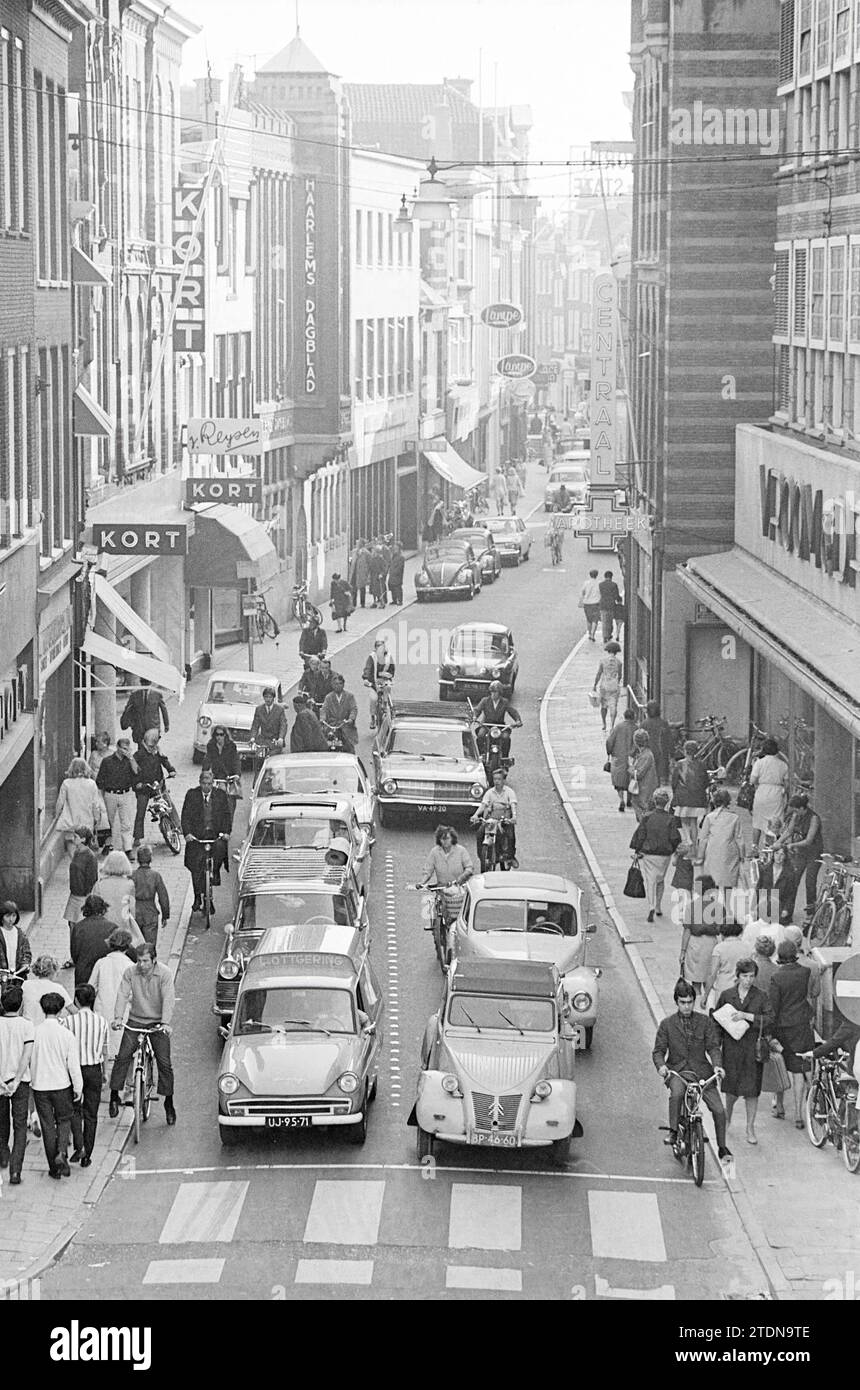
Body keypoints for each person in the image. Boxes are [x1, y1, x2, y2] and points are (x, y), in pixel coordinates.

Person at [652, 979, 731, 1159]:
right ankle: (673, 1131)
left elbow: (713, 1047)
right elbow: (658, 1051)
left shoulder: (705, 1022)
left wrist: (718, 1066)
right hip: (677, 1072)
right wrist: (662, 1067)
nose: (686, 1007)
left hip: (701, 1072)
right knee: (677, 1094)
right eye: (682, 1003)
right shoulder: (667, 1024)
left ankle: (722, 1147)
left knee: (719, 1110)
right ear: (676, 1002)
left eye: (689, 1002)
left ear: (694, 1002)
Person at [109, 943, 176, 1125]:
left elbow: (168, 998)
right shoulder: (131, 972)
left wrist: (165, 1023)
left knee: (164, 1063)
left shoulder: (164, 974)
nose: (141, 965)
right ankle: (114, 1095)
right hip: (136, 1019)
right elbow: (122, 994)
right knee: (122, 1057)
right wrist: (117, 1017)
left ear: (154, 960)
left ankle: (168, 1103)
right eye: (139, 960)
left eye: (145, 961)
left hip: (157, 1022)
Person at [714, 958, 771, 1145]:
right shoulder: (726, 995)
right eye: (745, 976)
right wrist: (716, 1046)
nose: (748, 980)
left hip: (752, 1048)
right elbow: (717, 1023)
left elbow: (770, 1019)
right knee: (730, 1090)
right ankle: (728, 1118)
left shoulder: (761, 996)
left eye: (752, 976)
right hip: (731, 1049)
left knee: (752, 1091)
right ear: (737, 976)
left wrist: (747, 1016)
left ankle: (750, 1127)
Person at [29, 991, 83, 1179]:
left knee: (47, 1125)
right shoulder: (66, 1035)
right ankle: (62, 1152)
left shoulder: (35, 1032)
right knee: (64, 1119)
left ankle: (54, 1167)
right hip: (61, 1084)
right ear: (61, 1010)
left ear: (43, 1009)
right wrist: (78, 1087)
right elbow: (73, 1065)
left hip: (40, 1085)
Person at [768, 938, 815, 1126]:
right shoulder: (805, 972)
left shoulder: (777, 978)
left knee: (779, 1065)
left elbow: (774, 1007)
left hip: (782, 1026)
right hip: (802, 1025)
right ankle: (798, 1113)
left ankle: (779, 1106)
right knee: (798, 1070)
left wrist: (769, 1033)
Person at [65, 983, 108, 1168]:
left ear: (76, 1000)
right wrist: (104, 1072)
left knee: (74, 1109)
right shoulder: (102, 1021)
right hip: (94, 1070)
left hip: (74, 1070)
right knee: (91, 1113)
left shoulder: (67, 1022)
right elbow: (104, 1050)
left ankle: (79, 1144)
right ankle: (87, 1155)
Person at [181, 770, 232, 914]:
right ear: (200, 783)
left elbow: (227, 815)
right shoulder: (191, 795)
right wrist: (187, 833)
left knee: (220, 849)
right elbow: (185, 816)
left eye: (209, 784)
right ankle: (198, 896)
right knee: (195, 866)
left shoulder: (220, 796)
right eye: (204, 784)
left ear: (213, 783)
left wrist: (226, 832)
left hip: (214, 834)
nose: (206, 787)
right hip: (198, 836)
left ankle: (214, 872)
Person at [772, 792, 824, 926]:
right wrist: (779, 842)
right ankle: (787, 911)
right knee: (793, 880)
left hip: (813, 852)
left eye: (796, 810)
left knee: (810, 882)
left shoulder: (814, 818)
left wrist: (791, 845)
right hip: (800, 853)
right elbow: (789, 831)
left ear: (802, 808)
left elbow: (809, 840)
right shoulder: (796, 815)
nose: (795, 812)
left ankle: (810, 912)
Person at [630, 790, 681, 922]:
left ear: (654, 801)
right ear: (666, 802)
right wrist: (675, 850)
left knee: (650, 880)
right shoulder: (670, 819)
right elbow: (675, 837)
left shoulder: (647, 817)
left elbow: (641, 834)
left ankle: (651, 906)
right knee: (660, 879)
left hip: (649, 853)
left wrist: (637, 850)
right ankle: (658, 906)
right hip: (664, 854)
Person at [0, 984, 34, 1185]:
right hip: (20, 1083)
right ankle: (16, 1170)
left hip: (1, 1082)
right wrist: (17, 1079)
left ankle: (3, 1153)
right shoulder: (26, 1025)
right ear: (21, 1005)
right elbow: (26, 1055)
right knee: (20, 1125)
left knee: (1, 1121)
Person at [90, 929, 135, 1061]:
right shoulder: (130, 966)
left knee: (102, 1045)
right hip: (123, 1012)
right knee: (121, 1047)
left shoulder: (101, 962)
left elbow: (91, 987)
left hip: (102, 1009)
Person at [696, 789, 745, 906]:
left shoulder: (709, 817)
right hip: (729, 852)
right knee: (728, 881)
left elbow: (703, 839)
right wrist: (742, 855)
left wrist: (700, 856)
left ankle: (712, 907)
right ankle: (727, 907)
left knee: (713, 880)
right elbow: (739, 839)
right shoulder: (734, 818)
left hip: (713, 852)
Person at [61, 827, 99, 970]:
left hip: (83, 896)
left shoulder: (90, 856)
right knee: (71, 926)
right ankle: (73, 956)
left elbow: (92, 878)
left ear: (83, 839)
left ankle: (82, 956)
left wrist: (89, 896)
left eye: (76, 836)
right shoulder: (77, 852)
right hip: (74, 894)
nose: (74, 838)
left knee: (80, 928)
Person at [70, 894, 129, 987]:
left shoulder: (78, 927)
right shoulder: (112, 927)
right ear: (103, 909)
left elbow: (74, 953)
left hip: (83, 973)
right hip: (105, 973)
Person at [132, 728, 176, 849]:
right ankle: (137, 837)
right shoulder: (139, 754)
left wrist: (171, 770)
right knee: (141, 811)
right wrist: (137, 783)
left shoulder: (157, 752)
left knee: (168, 805)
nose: (152, 749)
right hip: (145, 787)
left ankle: (175, 828)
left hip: (158, 784)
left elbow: (165, 761)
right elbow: (133, 770)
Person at [95, 736, 138, 853]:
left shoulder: (129, 761)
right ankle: (108, 844)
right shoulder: (107, 761)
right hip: (111, 794)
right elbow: (100, 780)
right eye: (123, 748)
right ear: (118, 748)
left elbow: (137, 772)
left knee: (126, 823)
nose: (125, 751)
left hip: (125, 793)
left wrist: (131, 758)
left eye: (127, 749)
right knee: (109, 821)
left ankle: (128, 848)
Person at [678, 889, 720, 1004]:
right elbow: (722, 928)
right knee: (709, 981)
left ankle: (698, 1008)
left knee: (696, 984)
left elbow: (687, 930)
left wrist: (683, 951)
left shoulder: (691, 906)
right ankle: (708, 1005)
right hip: (711, 944)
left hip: (694, 944)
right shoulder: (718, 907)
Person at [471, 767, 518, 867]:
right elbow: (483, 805)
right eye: (495, 779)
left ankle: (511, 857)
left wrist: (513, 816)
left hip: (504, 820)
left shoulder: (509, 792)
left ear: (503, 780)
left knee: (510, 835)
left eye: (499, 779)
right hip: (491, 820)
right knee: (480, 833)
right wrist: (476, 815)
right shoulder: (489, 792)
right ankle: (482, 856)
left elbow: (513, 804)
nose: (496, 781)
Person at [748, 738, 788, 848]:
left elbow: (752, 780)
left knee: (758, 822)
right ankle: (772, 848)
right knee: (775, 822)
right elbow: (787, 783)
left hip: (762, 792)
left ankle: (754, 847)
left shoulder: (759, 763)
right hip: (776, 793)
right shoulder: (783, 765)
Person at [55, 757, 104, 843]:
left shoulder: (66, 783)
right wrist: (96, 819)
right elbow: (95, 804)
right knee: (84, 847)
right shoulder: (91, 784)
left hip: (70, 822)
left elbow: (60, 803)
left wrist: (57, 815)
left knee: (71, 845)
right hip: (86, 822)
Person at [671, 741, 709, 851]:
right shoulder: (702, 764)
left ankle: (688, 840)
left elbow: (674, 782)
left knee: (684, 820)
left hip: (683, 796)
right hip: (698, 797)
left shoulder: (679, 764)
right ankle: (694, 843)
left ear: (685, 750)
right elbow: (705, 781)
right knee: (694, 821)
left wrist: (675, 794)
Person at [95, 850, 140, 942]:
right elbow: (132, 908)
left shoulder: (100, 884)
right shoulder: (129, 884)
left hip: (105, 924)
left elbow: (95, 907)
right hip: (123, 923)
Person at [131, 847, 170, 952]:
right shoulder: (155, 876)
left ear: (138, 859)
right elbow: (163, 896)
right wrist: (165, 915)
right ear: (150, 859)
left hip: (135, 910)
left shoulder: (132, 875)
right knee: (150, 944)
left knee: (135, 942)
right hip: (150, 910)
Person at [474, 681, 523, 761]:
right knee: (480, 735)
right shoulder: (485, 701)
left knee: (506, 738)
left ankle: (505, 758)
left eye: (495, 692)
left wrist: (517, 720)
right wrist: (474, 716)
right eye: (492, 692)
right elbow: (477, 710)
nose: (493, 694)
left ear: (500, 693)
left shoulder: (504, 702)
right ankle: (482, 755)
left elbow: (512, 711)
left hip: (500, 726)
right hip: (487, 725)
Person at [705, 919, 748, 1009]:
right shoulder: (746, 947)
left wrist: (706, 995)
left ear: (723, 933)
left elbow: (712, 974)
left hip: (723, 987)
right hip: (742, 988)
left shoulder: (719, 948)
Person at [120, 677, 169, 746]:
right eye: (144, 683)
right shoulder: (135, 695)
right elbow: (127, 709)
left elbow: (164, 709)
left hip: (153, 727)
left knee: (151, 748)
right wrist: (128, 722)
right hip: (139, 728)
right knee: (141, 749)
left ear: (150, 683)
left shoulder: (157, 694)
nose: (145, 685)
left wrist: (166, 724)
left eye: (147, 683)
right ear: (141, 683)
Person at [22, 956, 71, 1025]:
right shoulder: (58, 988)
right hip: (48, 1028)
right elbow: (73, 1010)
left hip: (28, 1027)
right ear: (54, 971)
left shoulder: (26, 985)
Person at [605, 708, 636, 813]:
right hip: (632, 758)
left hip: (618, 758)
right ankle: (629, 800)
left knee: (618, 781)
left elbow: (609, 741)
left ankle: (621, 799)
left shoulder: (618, 727)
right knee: (631, 779)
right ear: (633, 717)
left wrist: (609, 752)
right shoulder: (636, 728)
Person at [202, 725, 241, 804]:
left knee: (231, 800)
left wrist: (237, 774)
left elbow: (236, 760)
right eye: (217, 734)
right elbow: (207, 759)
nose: (219, 737)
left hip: (229, 774)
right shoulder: (211, 745)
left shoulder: (231, 746)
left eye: (221, 734)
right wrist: (205, 771)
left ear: (225, 735)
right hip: (216, 774)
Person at [363, 637, 396, 731]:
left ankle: (385, 704)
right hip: (374, 682)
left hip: (385, 679)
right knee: (373, 699)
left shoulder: (389, 656)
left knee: (388, 687)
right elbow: (368, 668)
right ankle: (373, 718)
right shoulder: (372, 657)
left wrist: (389, 675)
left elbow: (392, 669)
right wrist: (366, 679)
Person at [321, 674, 358, 754]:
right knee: (325, 744)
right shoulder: (329, 697)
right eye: (336, 684)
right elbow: (324, 709)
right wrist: (322, 719)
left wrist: (351, 719)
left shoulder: (349, 696)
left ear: (343, 684)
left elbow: (353, 709)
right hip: (332, 726)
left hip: (345, 725)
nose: (338, 686)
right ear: (332, 685)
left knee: (349, 747)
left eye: (340, 683)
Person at [592, 640, 622, 732]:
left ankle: (604, 723)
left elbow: (599, 674)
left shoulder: (603, 661)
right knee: (613, 705)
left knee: (604, 706)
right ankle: (612, 725)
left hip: (604, 685)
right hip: (614, 686)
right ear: (616, 651)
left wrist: (595, 685)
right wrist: (617, 682)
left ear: (608, 650)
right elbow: (620, 675)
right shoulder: (619, 662)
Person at [629, 729, 658, 823]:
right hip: (645, 788)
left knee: (643, 812)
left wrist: (631, 769)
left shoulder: (646, 756)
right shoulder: (643, 754)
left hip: (644, 789)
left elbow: (639, 774)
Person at [249, 686, 288, 756]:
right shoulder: (259, 709)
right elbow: (255, 725)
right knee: (259, 758)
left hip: (275, 741)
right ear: (263, 698)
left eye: (270, 697)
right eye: (266, 697)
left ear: (273, 698)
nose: (268, 699)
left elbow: (283, 725)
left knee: (273, 758)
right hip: (263, 740)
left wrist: (281, 738)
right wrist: (252, 737)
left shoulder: (279, 709)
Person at [643, 702, 673, 787]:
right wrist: (672, 754)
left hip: (648, 752)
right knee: (659, 776)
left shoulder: (644, 724)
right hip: (661, 752)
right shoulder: (663, 723)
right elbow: (669, 740)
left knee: (649, 776)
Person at [0, 900, 31, 979]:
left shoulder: (20, 934)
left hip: (17, 975)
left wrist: (25, 965)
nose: (11, 919)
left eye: (14, 916)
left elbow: (26, 953)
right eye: (7, 916)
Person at [578, 569, 602, 641]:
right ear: (597, 575)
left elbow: (582, 592)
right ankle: (592, 634)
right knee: (595, 619)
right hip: (596, 603)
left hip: (587, 604)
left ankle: (589, 633)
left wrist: (581, 600)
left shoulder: (586, 583)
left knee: (589, 619)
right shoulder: (599, 583)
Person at [598, 570, 622, 643]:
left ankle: (605, 636)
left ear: (604, 577)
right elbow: (616, 595)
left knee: (604, 621)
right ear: (611, 577)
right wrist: (619, 601)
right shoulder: (614, 585)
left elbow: (599, 594)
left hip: (602, 604)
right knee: (610, 621)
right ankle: (609, 634)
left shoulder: (600, 584)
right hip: (611, 605)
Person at [349, 538, 371, 608]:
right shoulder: (353, 552)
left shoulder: (367, 553)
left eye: (358, 543)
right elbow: (351, 561)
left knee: (362, 588)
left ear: (362, 544)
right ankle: (353, 602)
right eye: (356, 543)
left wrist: (367, 573)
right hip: (354, 572)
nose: (357, 545)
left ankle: (362, 603)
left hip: (362, 573)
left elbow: (369, 563)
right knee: (353, 588)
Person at [368, 545, 388, 609]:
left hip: (378, 577)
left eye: (374, 551)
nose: (373, 553)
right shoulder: (373, 559)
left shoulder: (381, 559)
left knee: (380, 590)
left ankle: (382, 603)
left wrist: (382, 574)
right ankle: (374, 602)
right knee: (373, 590)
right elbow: (370, 567)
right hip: (373, 576)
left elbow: (385, 568)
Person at [388, 542, 405, 606]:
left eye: (396, 549)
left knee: (397, 587)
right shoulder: (393, 556)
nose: (394, 550)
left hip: (397, 575)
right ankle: (394, 600)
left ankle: (400, 600)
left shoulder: (401, 557)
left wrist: (395, 572)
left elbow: (400, 567)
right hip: (392, 574)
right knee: (392, 587)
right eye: (394, 549)